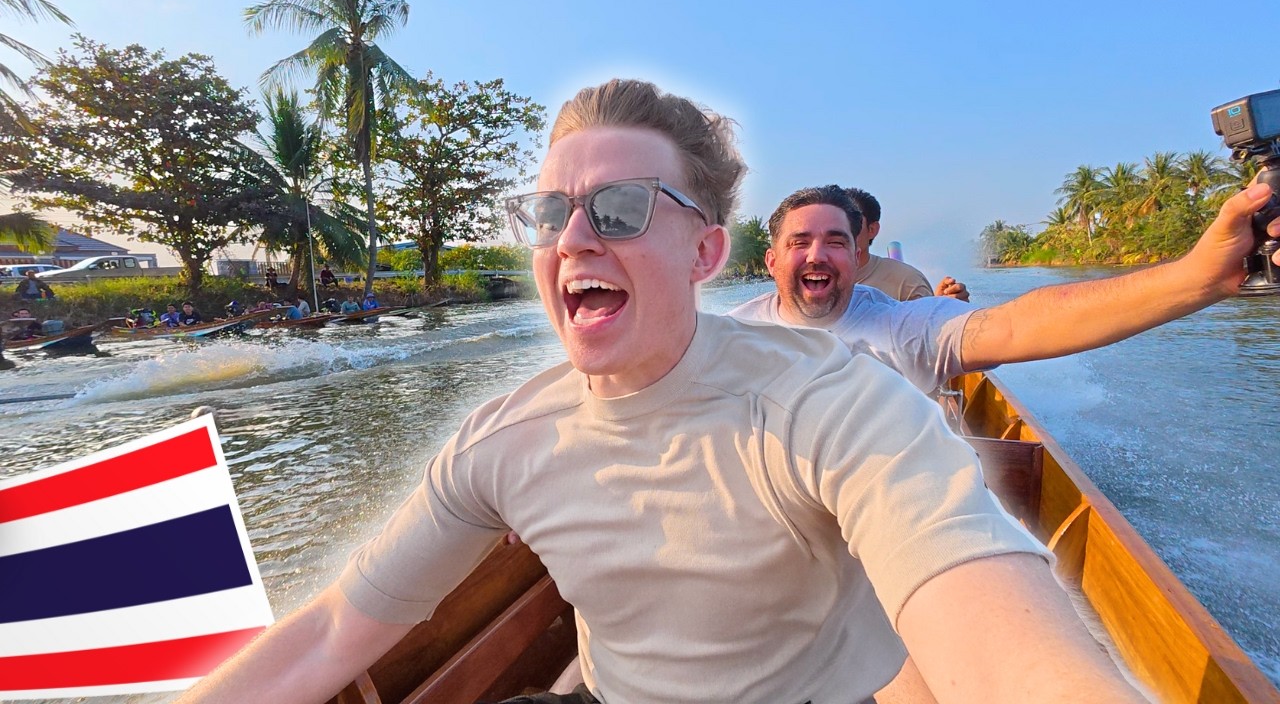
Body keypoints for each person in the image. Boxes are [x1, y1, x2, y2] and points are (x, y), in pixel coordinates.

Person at [179, 80, 1147, 704]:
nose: (572, 239)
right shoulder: (503, 440)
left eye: (620, 208)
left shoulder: (835, 403)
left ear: (704, 252)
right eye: (553, 212)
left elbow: (978, 613)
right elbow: (334, 632)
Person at [731, 183, 1280, 396]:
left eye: (834, 242)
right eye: (800, 243)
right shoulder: (733, 334)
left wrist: (1199, 277)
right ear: (772, 259)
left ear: (858, 255)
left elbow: (1021, 322)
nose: (816, 255)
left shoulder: (904, 323)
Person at [842, 187, 968, 302]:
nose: (840, 231)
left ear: (872, 230)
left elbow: (930, 323)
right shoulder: (823, 281)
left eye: (852, 223)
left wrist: (943, 307)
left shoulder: (907, 282)